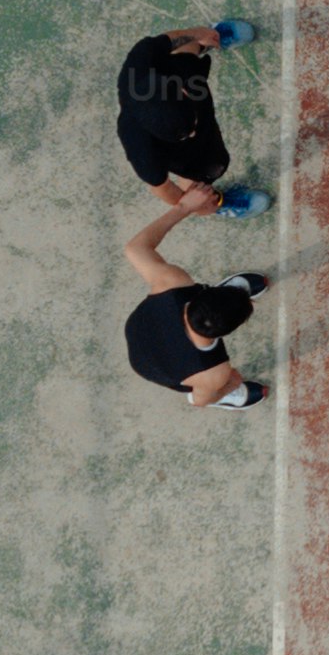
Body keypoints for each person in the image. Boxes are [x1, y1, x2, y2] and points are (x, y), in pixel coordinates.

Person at [120, 185, 265, 408]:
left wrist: (185, 207)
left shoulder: (172, 283)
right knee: (221, 382)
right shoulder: (214, 372)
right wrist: (229, 385)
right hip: (152, 366)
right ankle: (228, 397)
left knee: (219, 379)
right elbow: (199, 401)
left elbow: (135, 248)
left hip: (141, 329)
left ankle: (223, 307)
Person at [119, 20, 262, 217]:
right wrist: (196, 207)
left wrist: (197, 33)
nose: (194, 130)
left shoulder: (138, 65)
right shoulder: (143, 152)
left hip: (179, 76)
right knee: (212, 167)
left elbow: (169, 40)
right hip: (185, 153)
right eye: (188, 132)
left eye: (192, 125)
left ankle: (209, 39)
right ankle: (216, 202)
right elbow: (163, 189)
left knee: (185, 52)